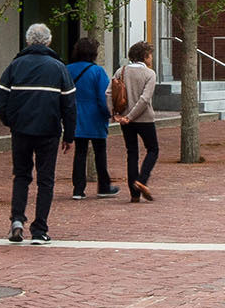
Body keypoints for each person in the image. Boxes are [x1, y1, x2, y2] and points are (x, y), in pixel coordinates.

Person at [0, 22, 76, 244]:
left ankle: (17, 220)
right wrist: (69, 135)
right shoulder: (58, 68)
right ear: (48, 41)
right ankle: (39, 230)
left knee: (21, 175)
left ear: (28, 41)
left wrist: (11, 121)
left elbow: (0, 100)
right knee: (45, 180)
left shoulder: (15, 65)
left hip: (21, 130)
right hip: (48, 131)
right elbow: (69, 105)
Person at [66, 36, 120, 200]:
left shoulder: (68, 69)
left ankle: (78, 189)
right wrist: (109, 113)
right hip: (95, 115)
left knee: (80, 153)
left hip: (76, 114)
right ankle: (103, 186)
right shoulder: (97, 71)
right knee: (100, 153)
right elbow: (104, 96)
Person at [116, 40, 162, 202]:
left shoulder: (120, 71)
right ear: (144, 56)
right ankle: (141, 180)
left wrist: (116, 114)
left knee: (132, 153)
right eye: (150, 55)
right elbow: (144, 99)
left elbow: (110, 93)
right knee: (153, 149)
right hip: (144, 119)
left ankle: (134, 194)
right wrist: (132, 116)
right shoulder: (150, 74)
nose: (151, 59)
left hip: (124, 120)